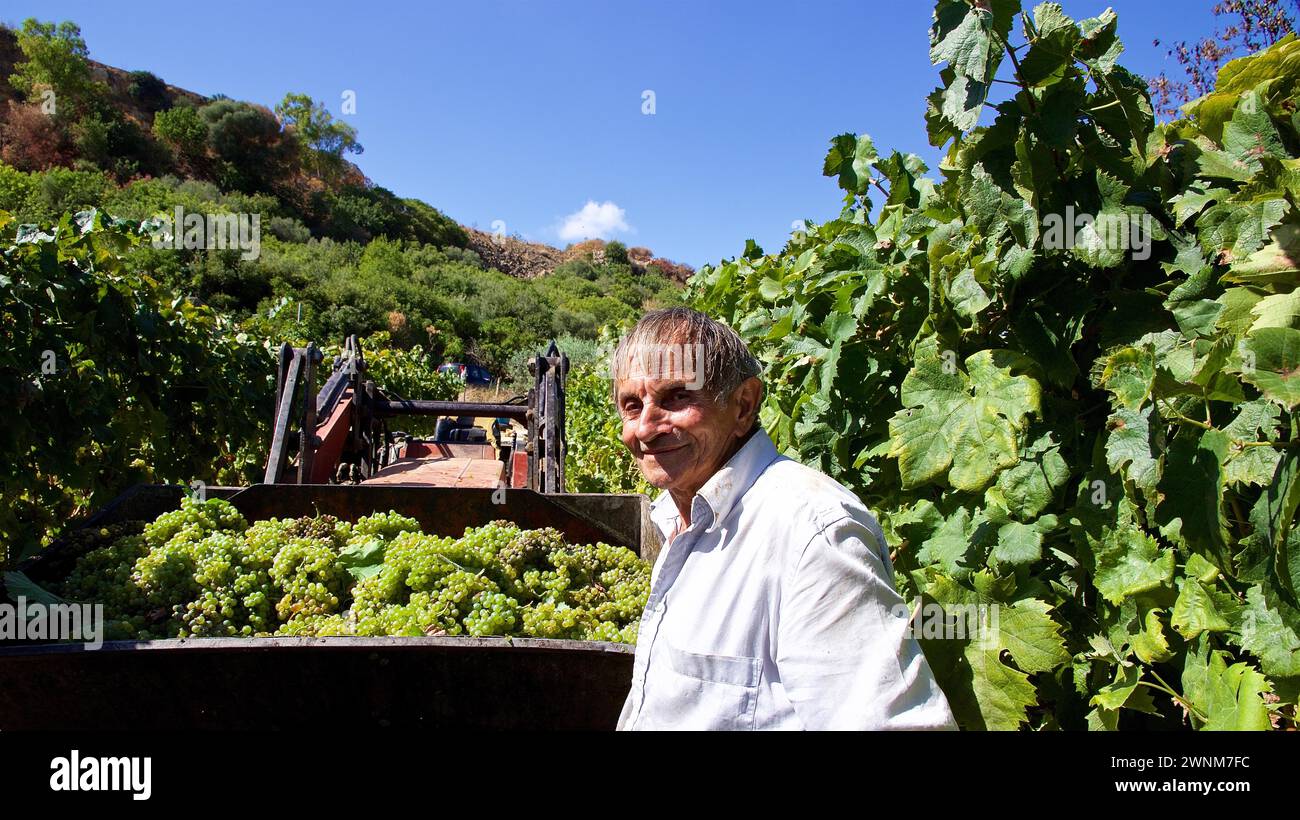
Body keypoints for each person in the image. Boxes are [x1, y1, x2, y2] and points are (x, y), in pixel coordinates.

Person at [612, 307, 956, 730]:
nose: (645, 428)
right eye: (632, 405)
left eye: (677, 397)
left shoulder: (812, 535)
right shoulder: (678, 521)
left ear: (743, 405)